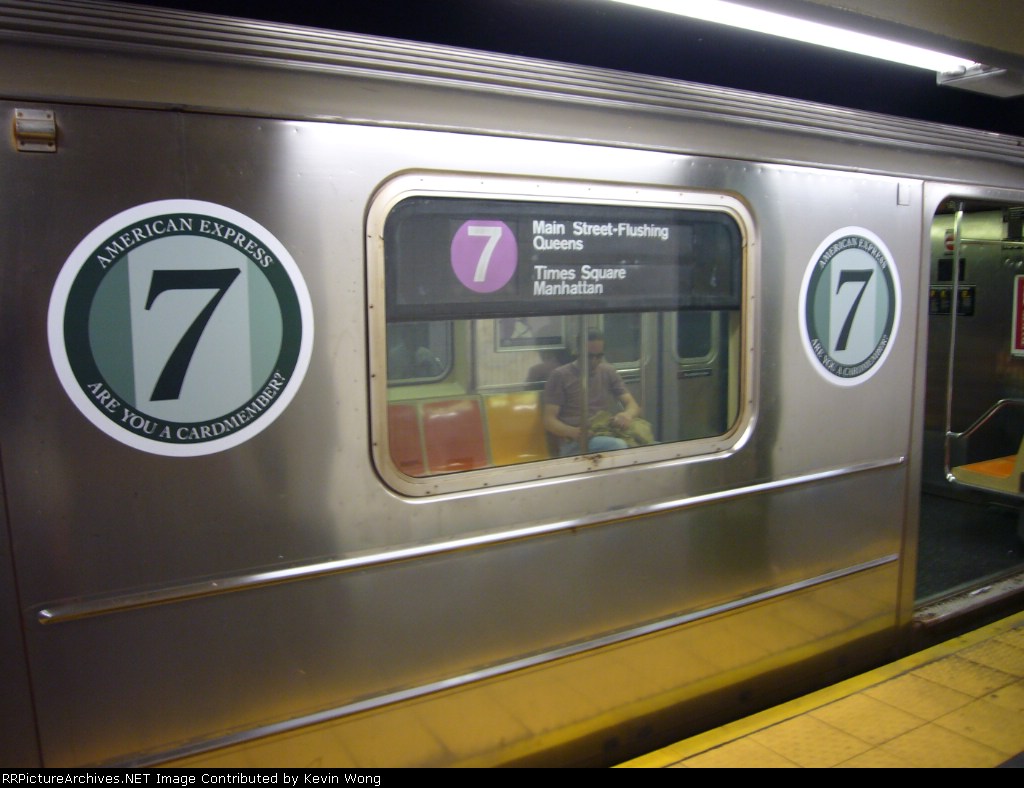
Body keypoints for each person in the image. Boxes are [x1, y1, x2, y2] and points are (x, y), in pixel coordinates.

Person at [543, 329, 642, 455]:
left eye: (599, 356)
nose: (594, 361)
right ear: (578, 352)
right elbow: (549, 420)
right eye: (589, 356)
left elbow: (632, 404)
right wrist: (572, 432)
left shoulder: (608, 371)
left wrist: (627, 415)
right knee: (617, 446)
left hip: (603, 430)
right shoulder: (560, 376)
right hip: (574, 441)